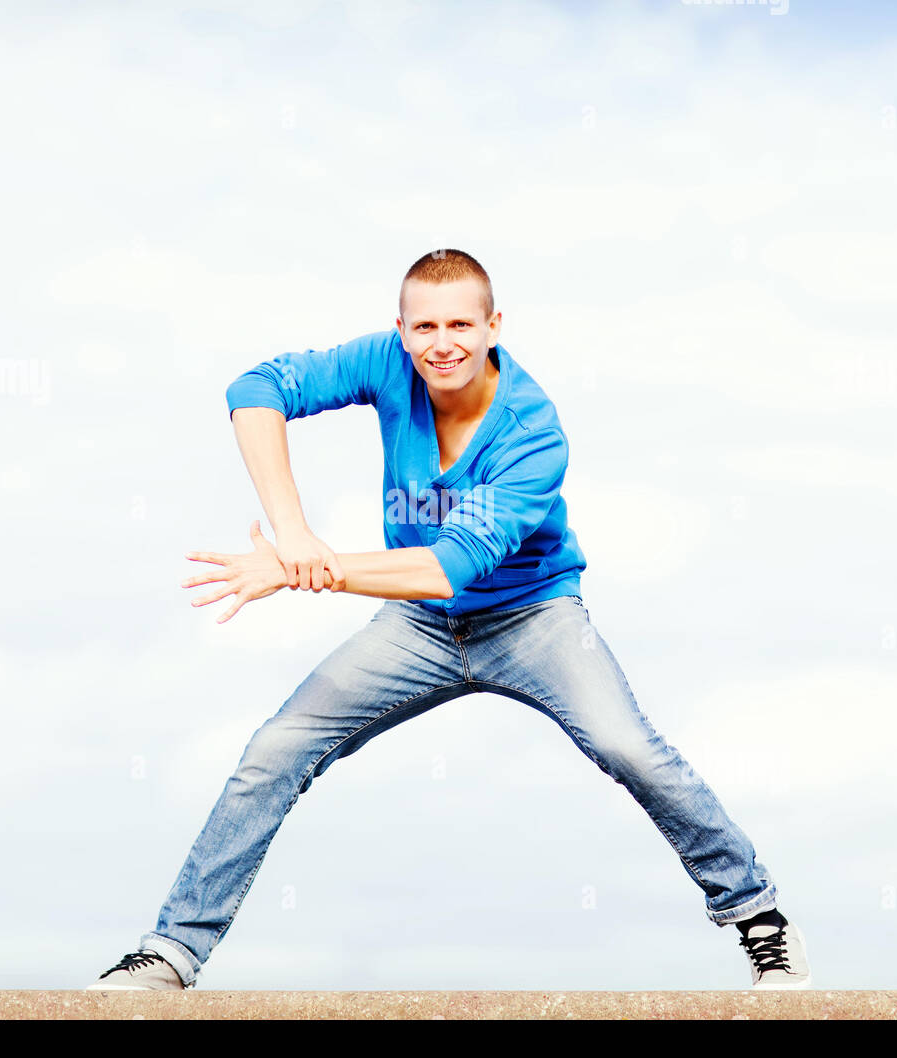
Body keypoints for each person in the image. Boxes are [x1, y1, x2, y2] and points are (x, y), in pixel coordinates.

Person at [87, 249, 811, 992]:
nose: (442, 343)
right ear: (400, 331)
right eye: (424, 325)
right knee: (275, 749)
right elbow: (255, 388)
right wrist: (292, 531)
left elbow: (447, 565)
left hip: (532, 616)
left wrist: (309, 568)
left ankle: (759, 919)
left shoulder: (533, 431)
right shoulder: (386, 365)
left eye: (461, 324)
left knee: (629, 746)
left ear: (494, 326)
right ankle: (171, 952)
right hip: (420, 627)